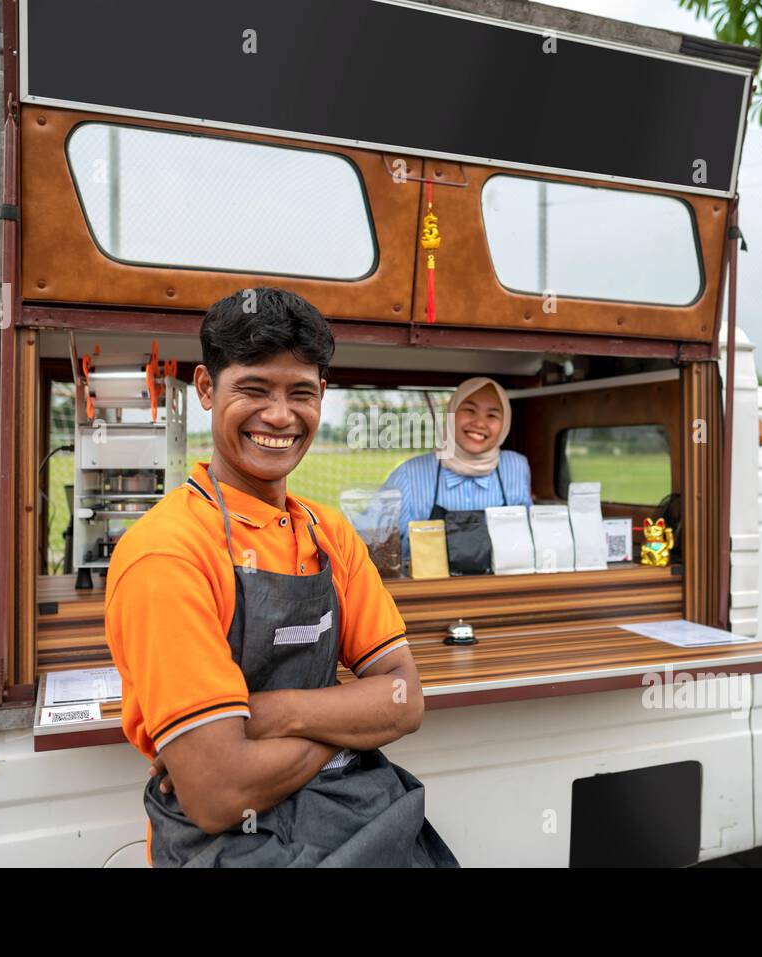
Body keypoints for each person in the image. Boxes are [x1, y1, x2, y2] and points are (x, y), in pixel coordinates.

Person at [104, 287, 458, 867]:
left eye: (300, 392)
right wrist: (347, 721)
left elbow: (403, 697)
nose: (279, 415)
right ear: (204, 388)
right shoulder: (166, 554)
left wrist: (266, 714)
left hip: (355, 818)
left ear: (322, 395)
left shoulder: (328, 533)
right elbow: (220, 794)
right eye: (253, 388)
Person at [384, 376, 532, 564]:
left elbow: (527, 539)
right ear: (452, 413)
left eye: (492, 415)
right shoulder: (408, 474)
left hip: (501, 589)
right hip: (430, 591)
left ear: (505, 424)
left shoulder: (516, 468)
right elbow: (376, 544)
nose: (480, 423)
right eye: (469, 410)